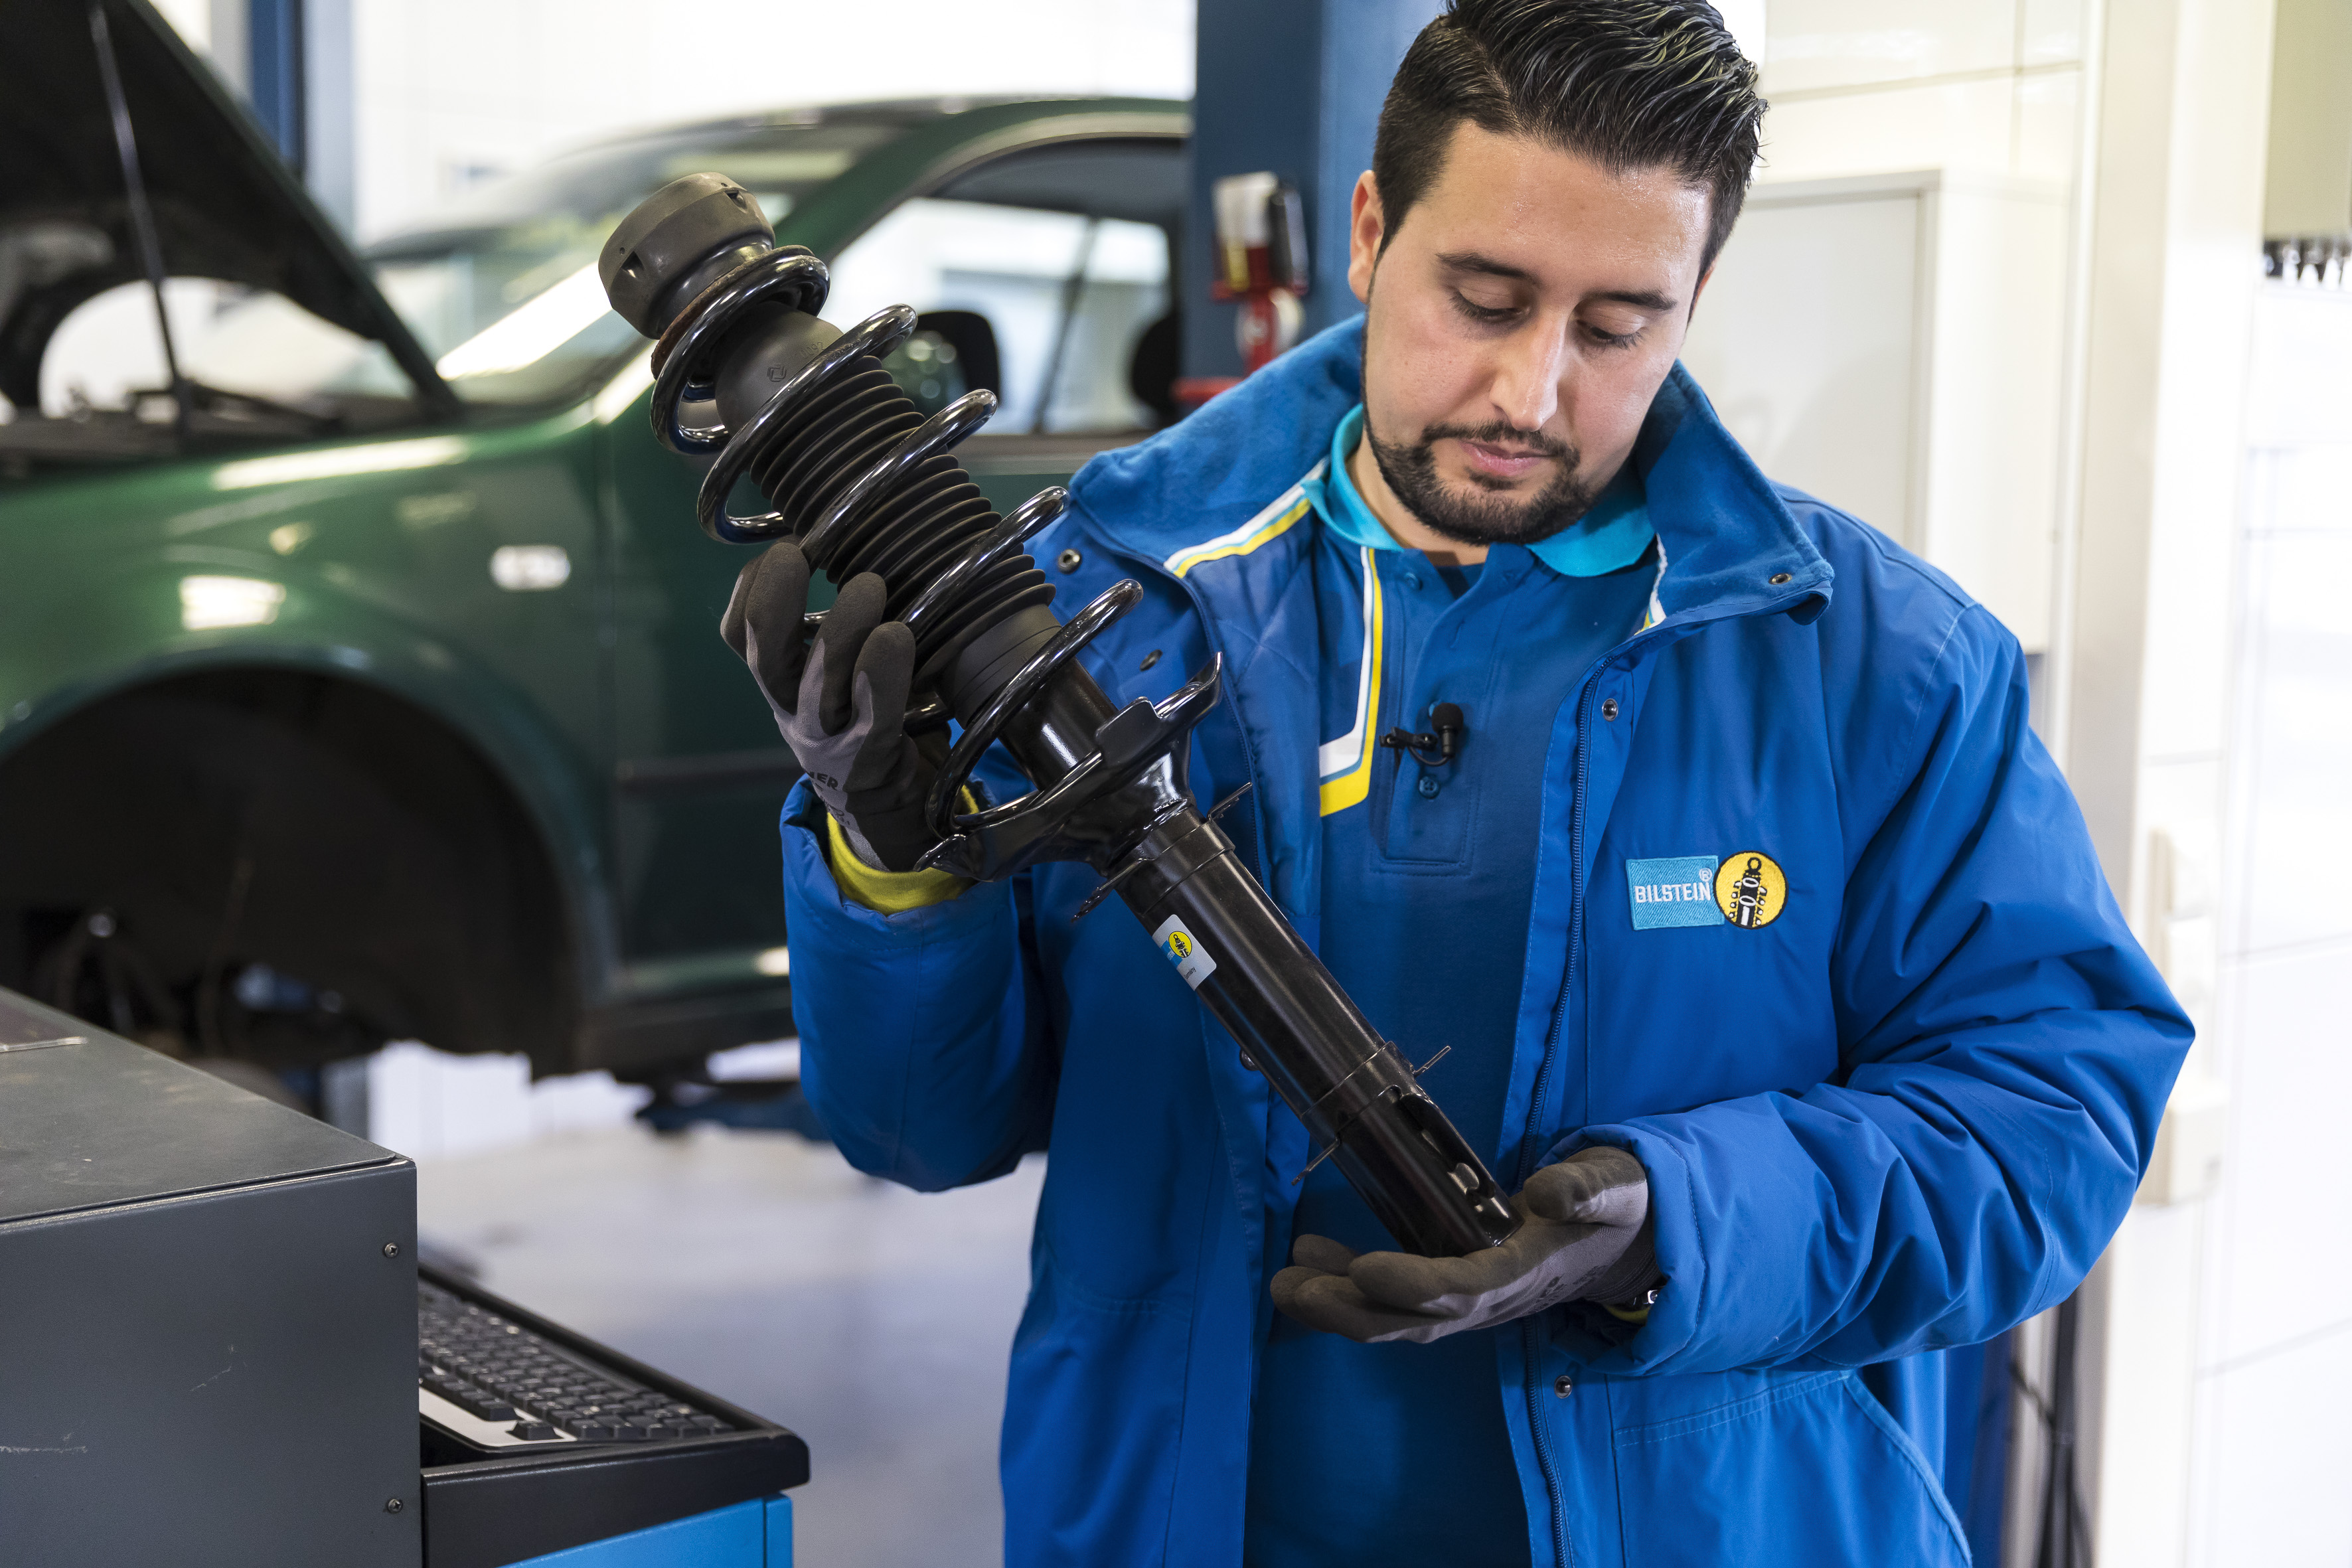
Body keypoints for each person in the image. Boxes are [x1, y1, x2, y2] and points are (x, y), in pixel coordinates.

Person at [726, 3, 2190, 1563]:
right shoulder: (1114, 608)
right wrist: (891, 866)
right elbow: (919, 1130)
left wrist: (1678, 1218)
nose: (1528, 392)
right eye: (1479, 297)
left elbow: (2052, 1109)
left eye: (1615, 324)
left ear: (1696, 298)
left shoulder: (1869, 665)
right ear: (1369, 233)